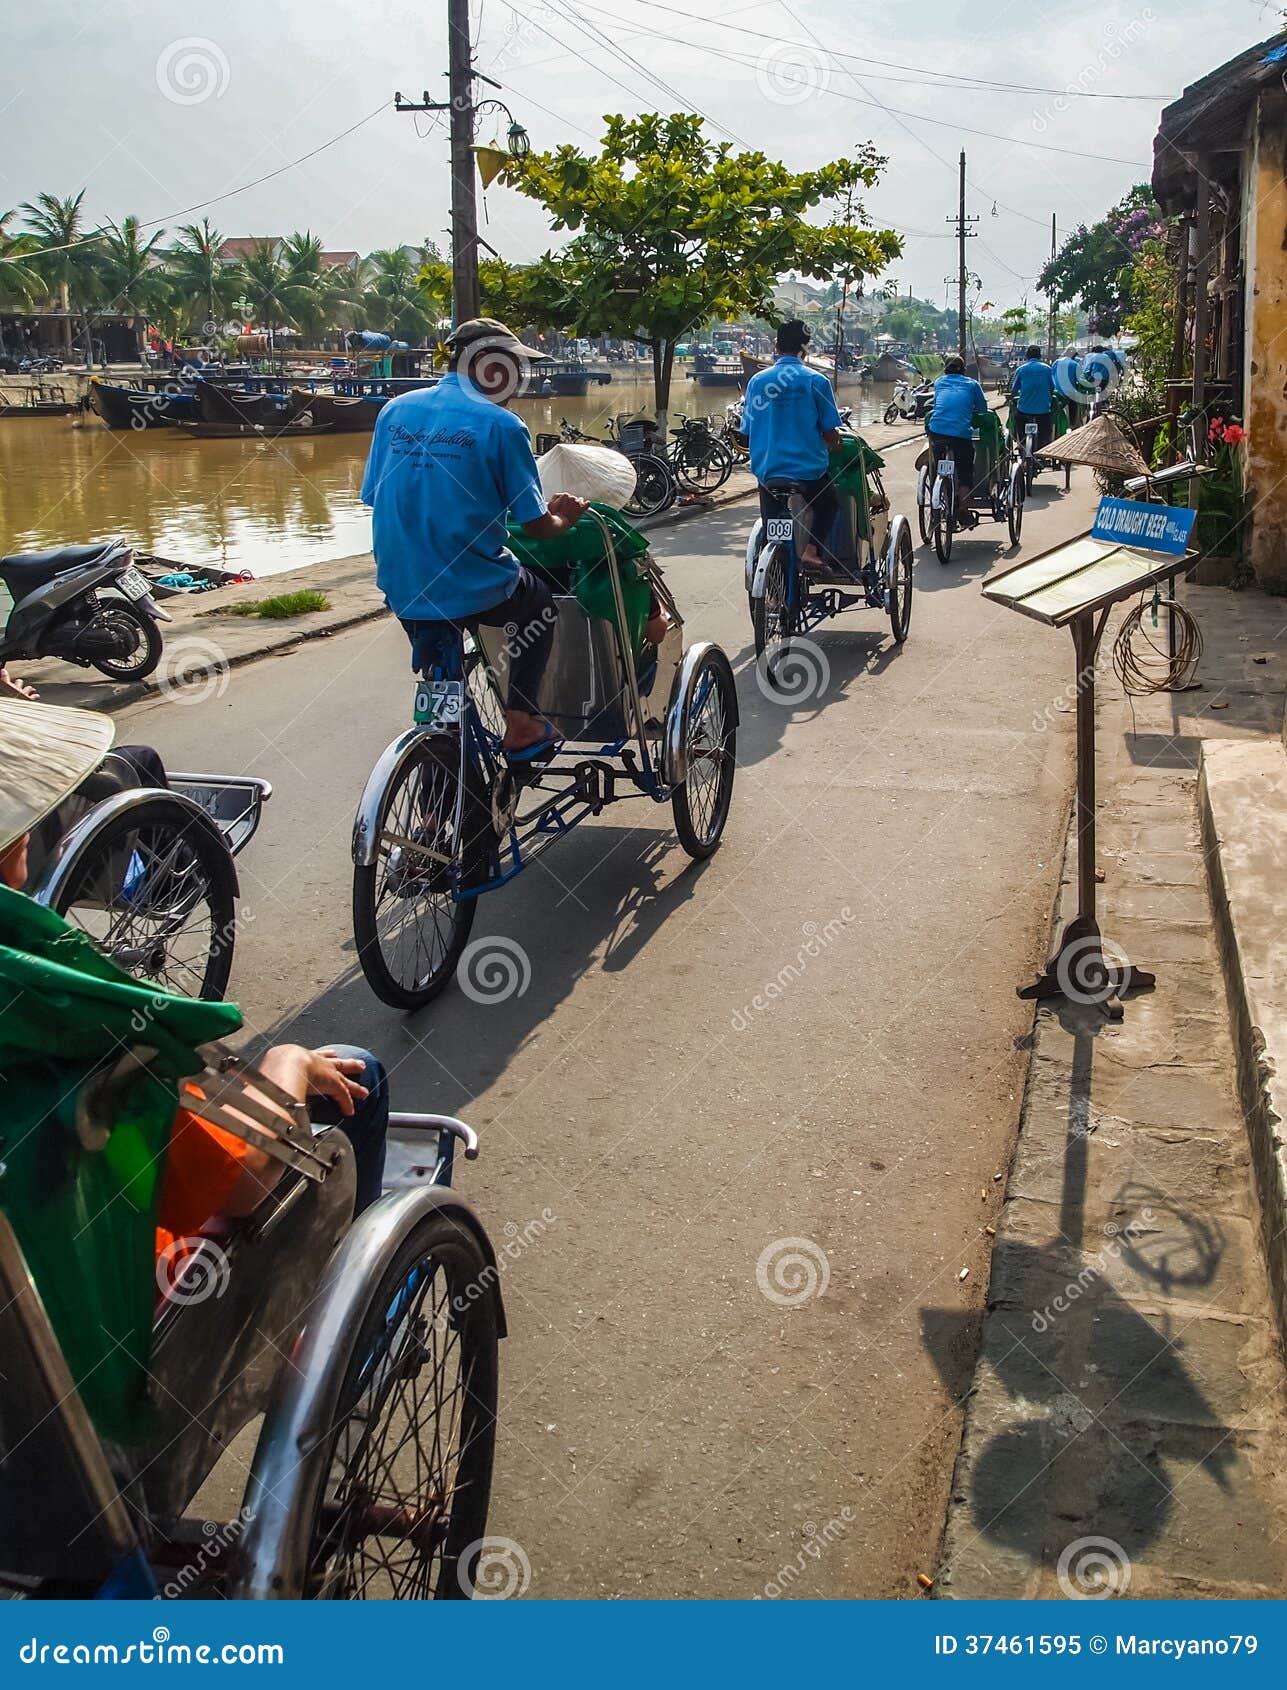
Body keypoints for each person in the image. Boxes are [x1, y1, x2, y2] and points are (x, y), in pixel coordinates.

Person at [0, 698, 390, 1254]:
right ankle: (362, 1318)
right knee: (362, 1077)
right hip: (136, 1298)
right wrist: (290, 1062)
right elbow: (241, 1180)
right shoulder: (58, 1009)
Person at [361, 316, 591, 762]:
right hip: (473, 583)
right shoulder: (502, 426)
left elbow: (376, 496)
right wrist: (566, 518)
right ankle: (522, 723)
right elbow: (537, 526)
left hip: (401, 581)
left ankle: (435, 804)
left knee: (442, 697)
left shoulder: (395, 410)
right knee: (539, 602)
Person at [742, 319, 842, 569]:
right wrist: (834, 443)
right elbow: (830, 432)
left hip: (769, 472)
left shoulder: (757, 382)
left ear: (776, 346)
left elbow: (746, 429)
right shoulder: (816, 381)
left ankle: (771, 579)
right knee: (829, 504)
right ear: (805, 348)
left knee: (772, 522)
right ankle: (811, 550)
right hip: (808, 473)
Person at [925, 354, 990, 517]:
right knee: (965, 472)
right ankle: (963, 508)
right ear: (964, 370)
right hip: (961, 434)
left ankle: (937, 487)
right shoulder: (972, 384)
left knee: (937, 461)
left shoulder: (939, 382)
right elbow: (982, 409)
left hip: (937, 430)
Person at [1009, 344, 1056, 454]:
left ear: (1027, 356)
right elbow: (1052, 387)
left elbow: (1014, 389)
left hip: (1024, 411)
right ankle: (1043, 448)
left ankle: (1021, 444)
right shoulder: (1047, 369)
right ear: (1040, 356)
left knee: (1018, 422)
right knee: (1046, 428)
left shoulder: (1021, 369)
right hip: (1043, 411)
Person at [1052, 345, 1083, 426]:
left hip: (1056, 393)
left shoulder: (1056, 362)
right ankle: (1073, 424)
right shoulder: (1075, 364)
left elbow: (1052, 375)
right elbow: (1080, 380)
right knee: (1074, 404)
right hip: (1070, 393)